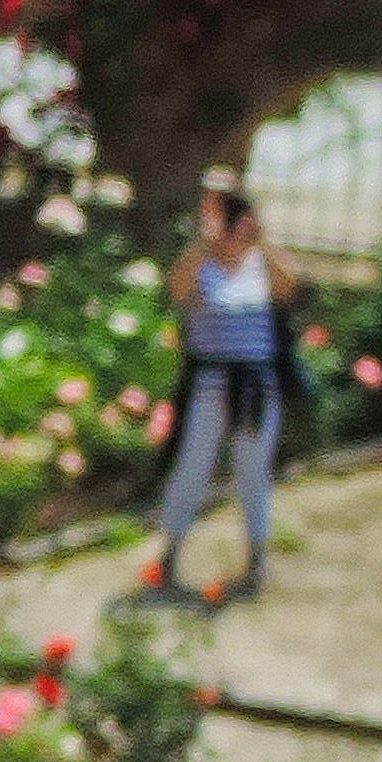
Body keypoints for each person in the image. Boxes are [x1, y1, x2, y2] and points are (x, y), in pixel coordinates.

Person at [140, 173, 302, 605]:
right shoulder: (202, 265)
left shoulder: (261, 265)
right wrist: (203, 243)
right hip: (210, 383)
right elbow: (175, 289)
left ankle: (256, 560)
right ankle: (170, 555)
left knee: (253, 473)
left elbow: (291, 287)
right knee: (193, 467)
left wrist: (261, 241)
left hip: (255, 385)